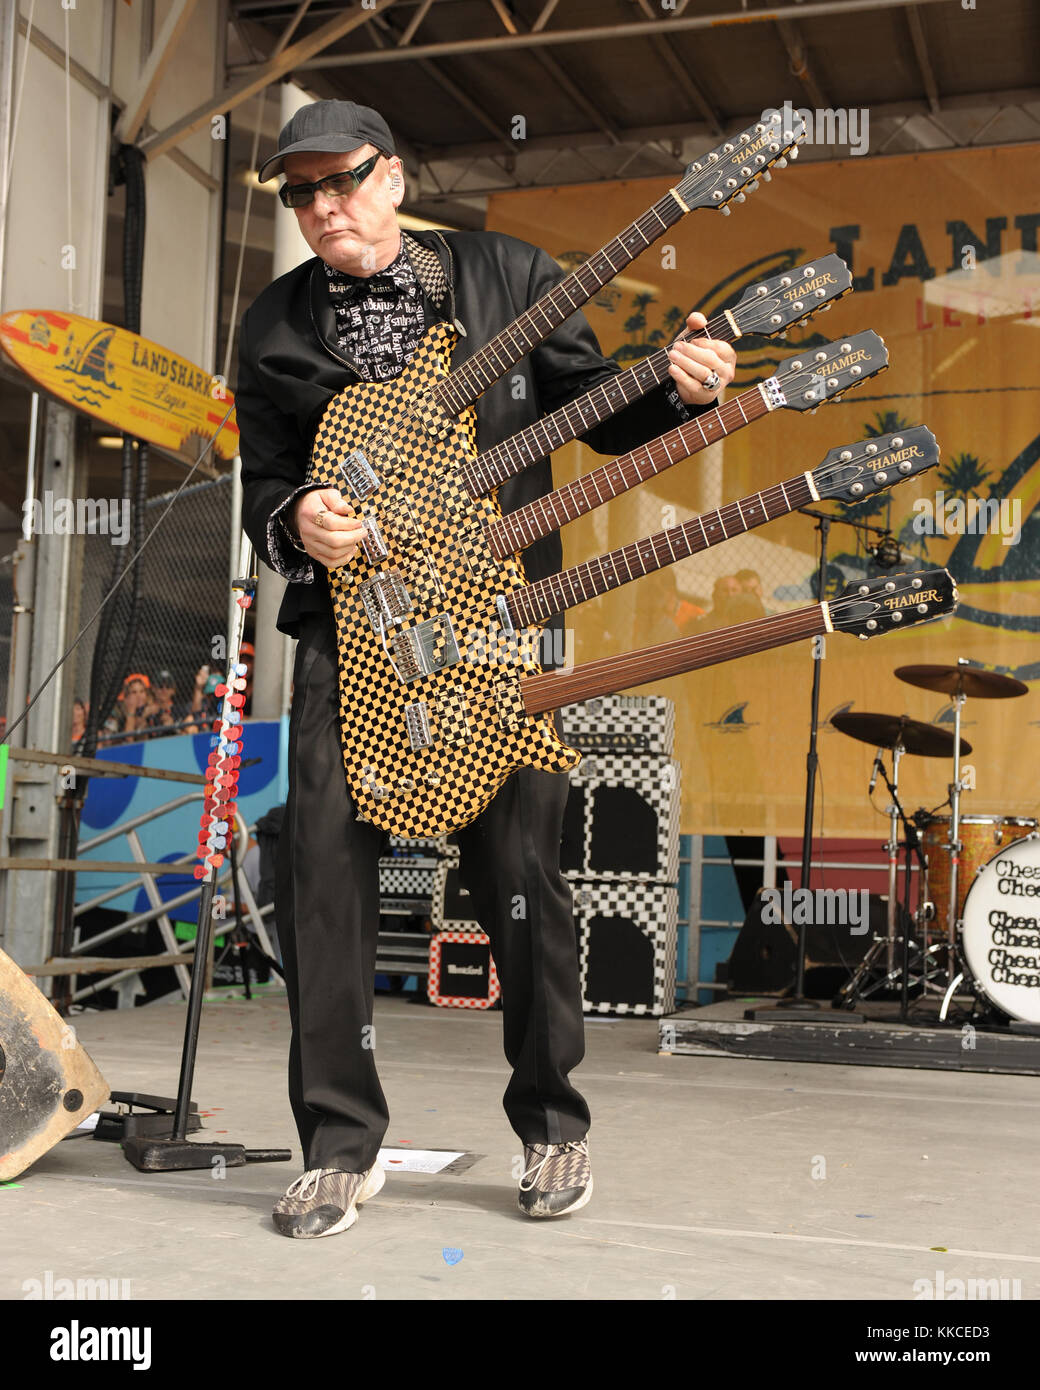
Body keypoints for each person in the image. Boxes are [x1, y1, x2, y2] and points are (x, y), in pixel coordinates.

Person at [236, 99, 736, 1240]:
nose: (324, 209)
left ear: (394, 176)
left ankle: (552, 1126)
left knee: (522, 877)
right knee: (320, 877)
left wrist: (682, 388)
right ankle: (337, 1145)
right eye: (301, 195)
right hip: (343, 635)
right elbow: (259, 480)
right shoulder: (270, 324)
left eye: (344, 183)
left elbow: (597, 410)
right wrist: (296, 513)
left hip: (496, 628)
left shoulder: (503, 277)